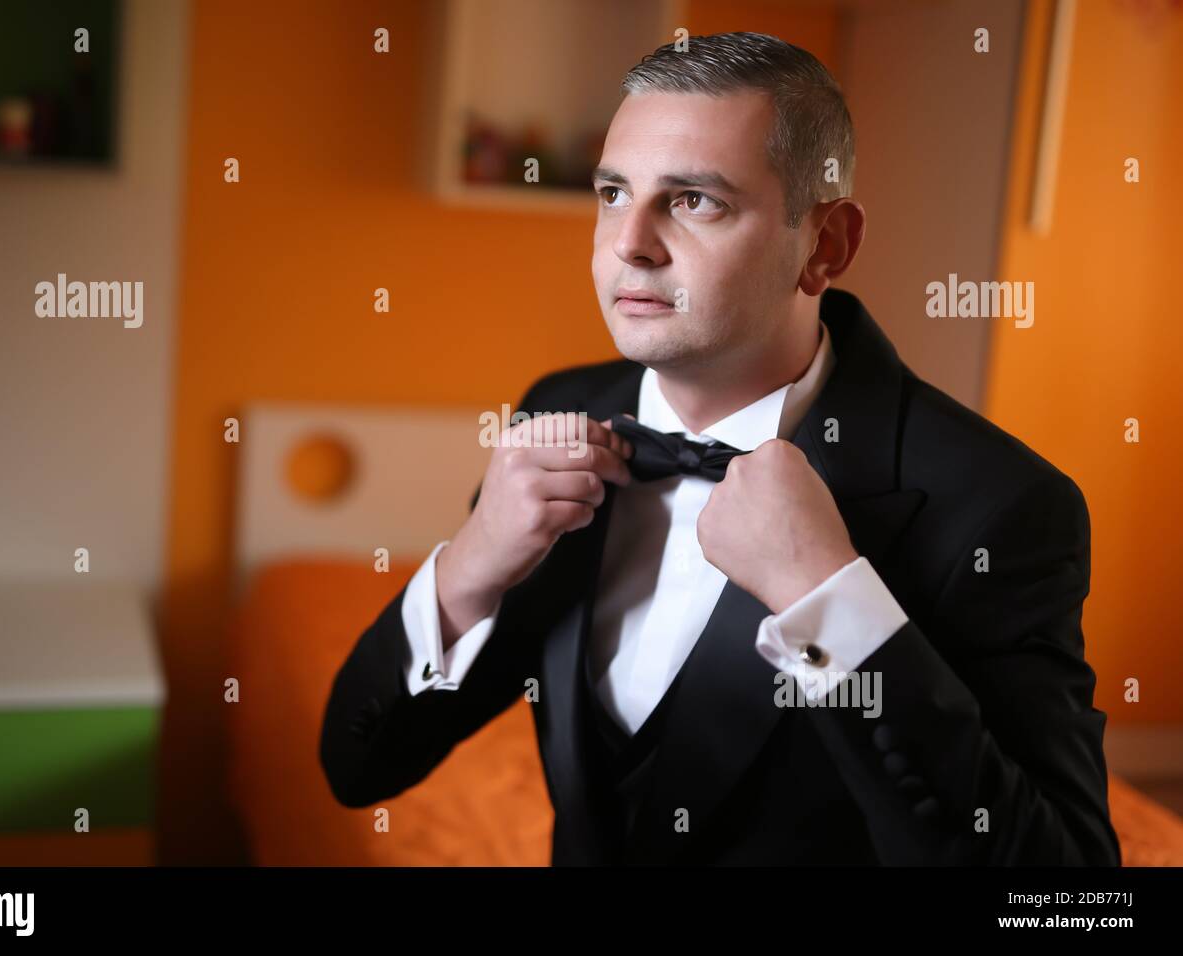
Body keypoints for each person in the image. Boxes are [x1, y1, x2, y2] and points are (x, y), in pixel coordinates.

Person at [320, 32, 1119, 866]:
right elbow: (358, 764)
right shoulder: (560, 411)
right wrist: (469, 569)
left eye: (695, 200)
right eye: (612, 192)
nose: (629, 243)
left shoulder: (996, 504)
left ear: (825, 246)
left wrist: (830, 602)